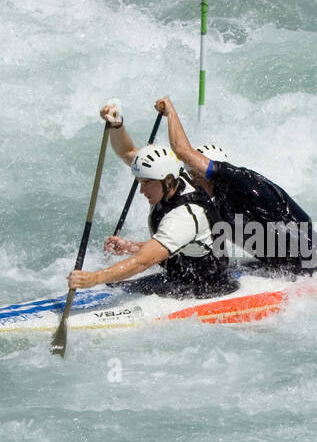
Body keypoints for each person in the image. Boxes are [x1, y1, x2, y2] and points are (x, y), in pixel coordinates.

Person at [67, 103, 236, 298]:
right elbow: (126, 151)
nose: (141, 190)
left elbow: (142, 262)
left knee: (111, 282)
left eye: (147, 183)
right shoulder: (168, 174)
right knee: (114, 286)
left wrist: (94, 278)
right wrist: (117, 125)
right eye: (140, 181)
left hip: (205, 287)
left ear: (168, 181)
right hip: (180, 268)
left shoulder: (185, 217)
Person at [156, 97, 317, 275]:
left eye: (194, 175)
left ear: (211, 175)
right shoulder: (215, 202)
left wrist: (171, 112)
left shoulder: (244, 182)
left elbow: (183, 151)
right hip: (282, 270)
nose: (191, 181)